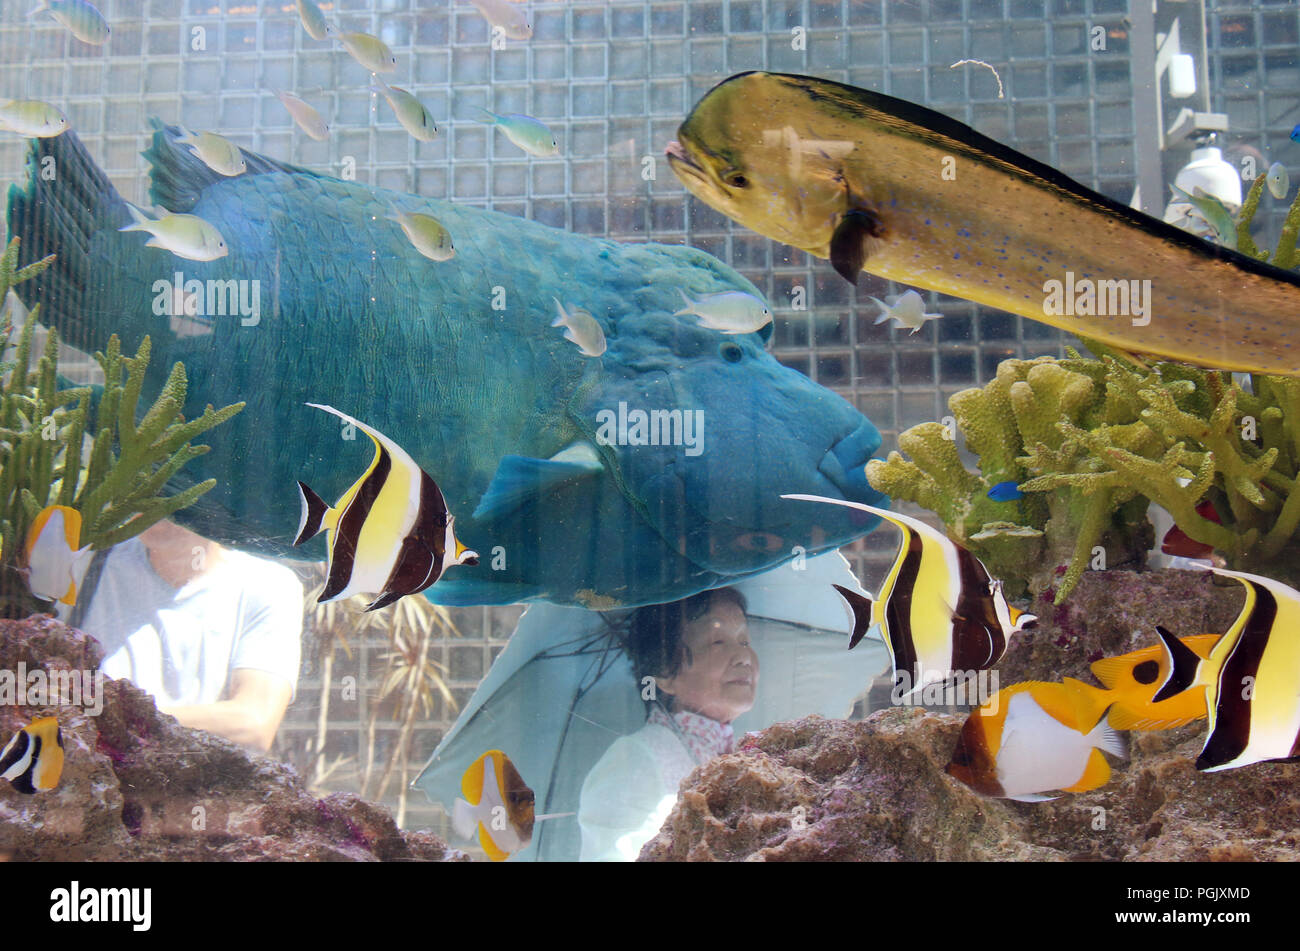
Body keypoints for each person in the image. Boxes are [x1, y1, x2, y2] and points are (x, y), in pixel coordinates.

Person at [63, 519, 303, 752]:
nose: (156, 496)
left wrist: (113, 721)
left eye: (174, 482)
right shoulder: (81, 562)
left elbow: (253, 724)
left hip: (196, 786)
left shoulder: (267, 586)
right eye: (143, 481)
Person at [578, 587, 757, 861]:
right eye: (718, 642)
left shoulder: (745, 755)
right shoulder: (635, 757)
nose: (744, 656)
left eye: (744, 641)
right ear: (664, 673)